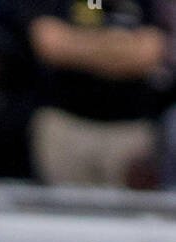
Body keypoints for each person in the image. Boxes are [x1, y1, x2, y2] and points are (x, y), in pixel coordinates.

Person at [21, 1, 169, 187]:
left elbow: (150, 52)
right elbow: (48, 43)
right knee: (64, 210)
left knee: (127, 211)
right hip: (65, 123)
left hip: (127, 129)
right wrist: (118, 48)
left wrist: (76, 44)